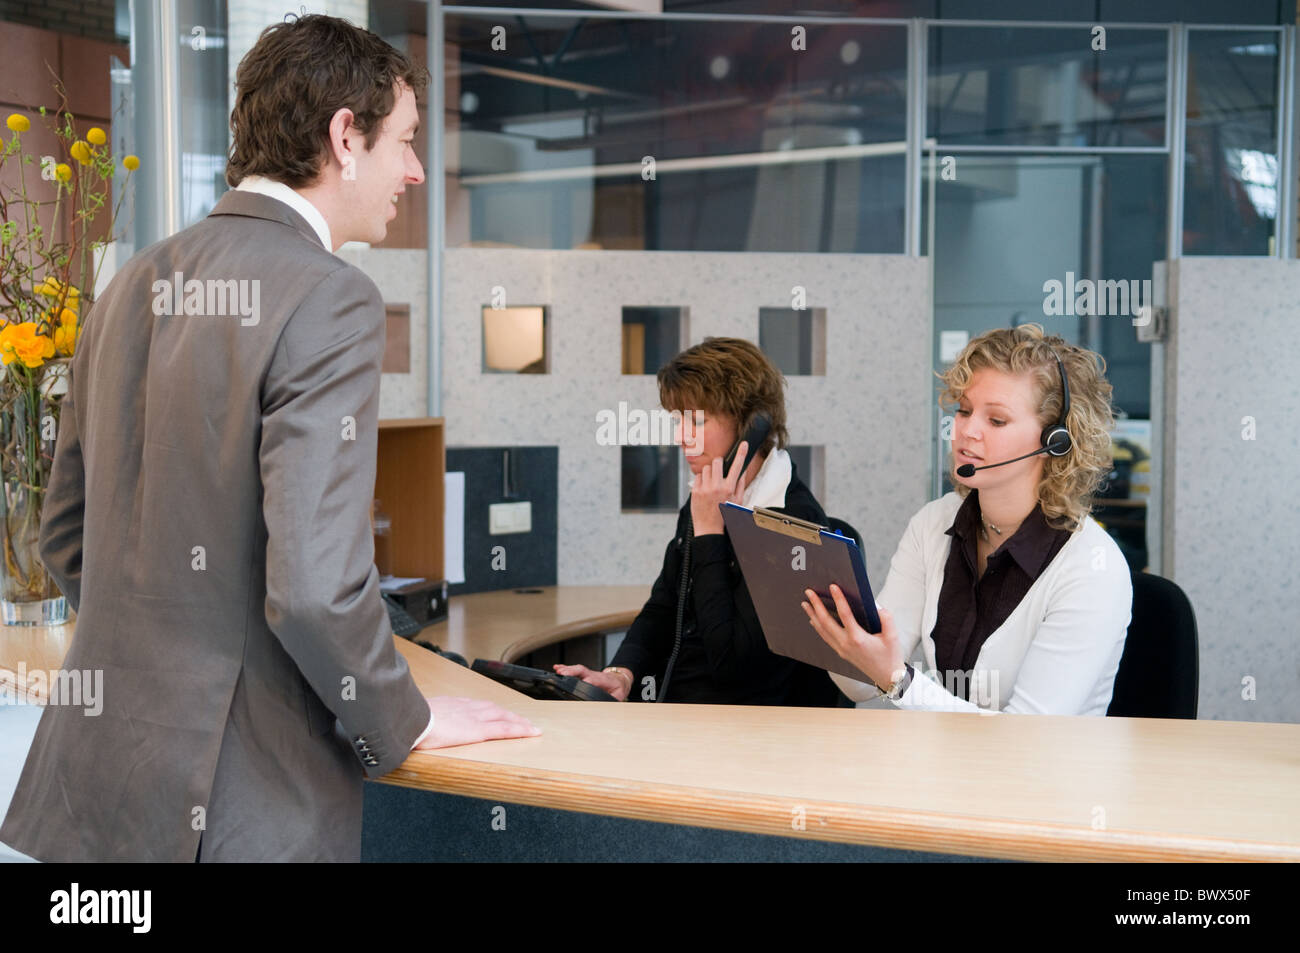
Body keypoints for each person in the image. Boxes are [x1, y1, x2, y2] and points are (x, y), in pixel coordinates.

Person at [0, 14, 537, 863]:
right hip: (238, 808)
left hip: (95, 795)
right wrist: (409, 714)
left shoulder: (129, 285)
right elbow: (317, 590)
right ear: (343, 137)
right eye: (401, 141)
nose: (415, 169)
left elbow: (66, 535)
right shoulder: (330, 297)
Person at [803, 324, 1131, 715]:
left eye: (996, 421)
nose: (966, 431)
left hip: (1040, 774)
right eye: (963, 410)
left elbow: (1029, 736)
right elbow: (861, 687)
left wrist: (898, 680)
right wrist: (844, 641)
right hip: (945, 769)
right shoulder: (933, 524)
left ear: (1054, 442)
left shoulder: (1092, 568)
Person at [557, 337, 842, 706]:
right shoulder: (707, 496)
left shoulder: (793, 523)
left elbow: (730, 665)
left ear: (750, 425)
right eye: (678, 421)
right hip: (680, 718)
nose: (681, 438)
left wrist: (711, 534)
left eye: (697, 421)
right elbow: (665, 604)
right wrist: (622, 673)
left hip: (744, 736)